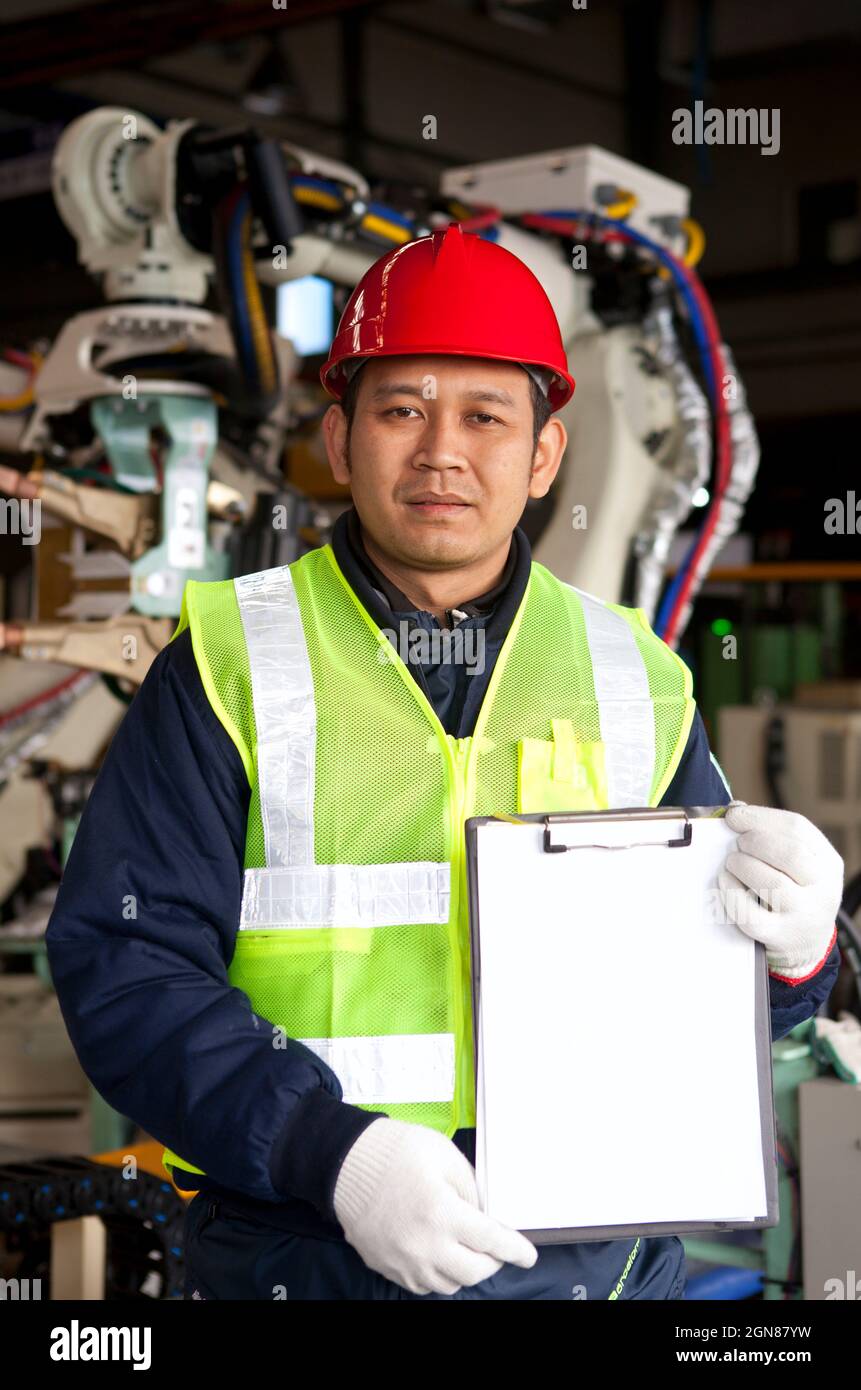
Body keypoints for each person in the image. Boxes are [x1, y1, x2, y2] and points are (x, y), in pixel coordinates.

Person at [46, 223, 843, 1301]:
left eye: (484, 415)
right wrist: (335, 1153)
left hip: (595, 1275)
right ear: (340, 437)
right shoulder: (229, 666)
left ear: (545, 453)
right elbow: (125, 966)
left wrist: (797, 956)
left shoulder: (635, 675)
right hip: (308, 1258)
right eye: (402, 410)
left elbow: (714, 993)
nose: (441, 453)